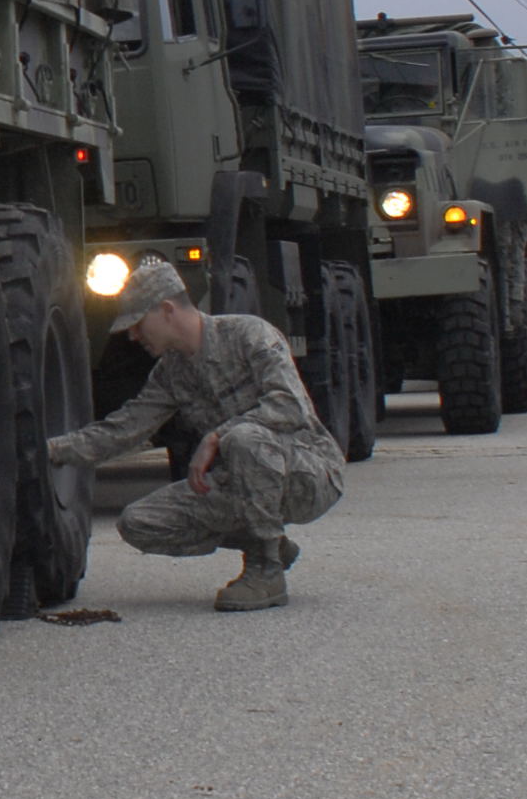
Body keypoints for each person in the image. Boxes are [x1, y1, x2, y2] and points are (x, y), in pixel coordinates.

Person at [47, 253, 345, 611]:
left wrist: (217, 436)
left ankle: (266, 572)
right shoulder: (171, 373)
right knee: (139, 522)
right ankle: (269, 541)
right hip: (242, 482)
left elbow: (291, 406)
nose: (133, 335)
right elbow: (124, 429)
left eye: (138, 323)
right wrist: (52, 450)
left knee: (243, 439)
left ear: (167, 310)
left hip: (309, 473)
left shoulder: (249, 334)